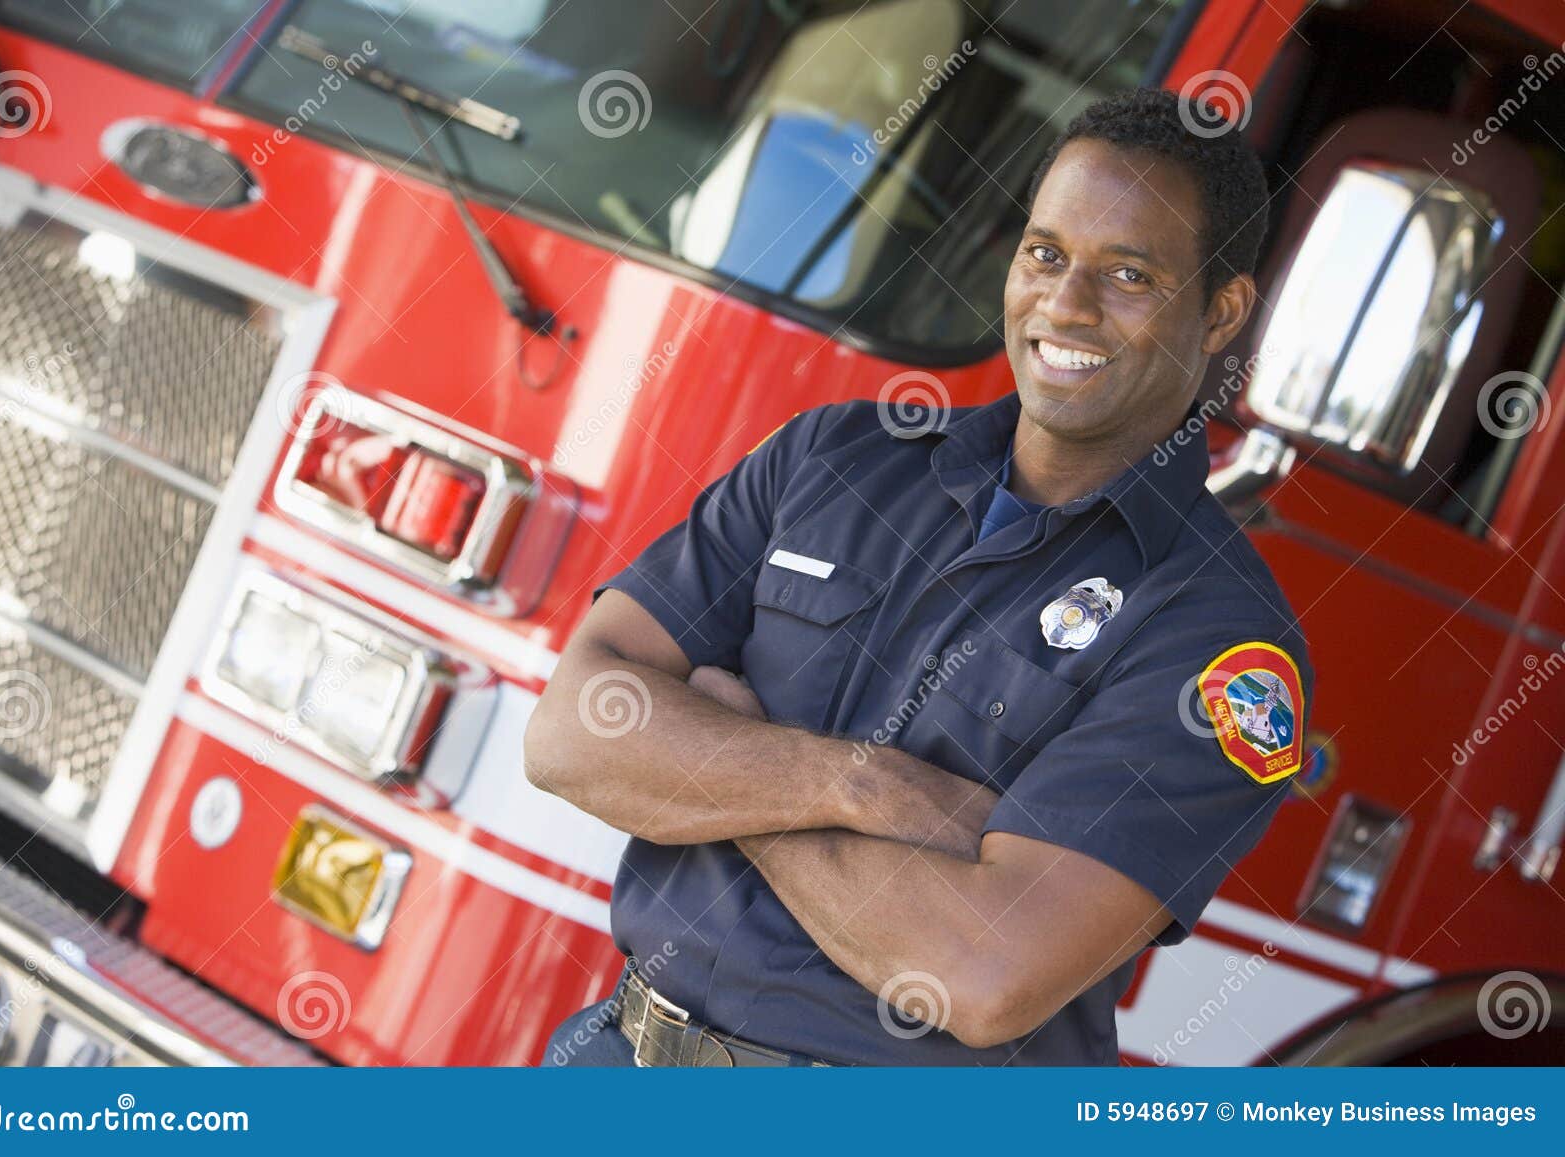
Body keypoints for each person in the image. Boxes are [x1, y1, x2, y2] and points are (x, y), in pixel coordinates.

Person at [525, 87, 1312, 1066]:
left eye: (1129, 275)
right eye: (1045, 254)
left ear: (1221, 311)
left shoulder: (1215, 639)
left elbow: (980, 975)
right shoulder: (834, 454)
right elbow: (571, 731)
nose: (1064, 304)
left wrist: (735, 762)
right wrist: (854, 782)